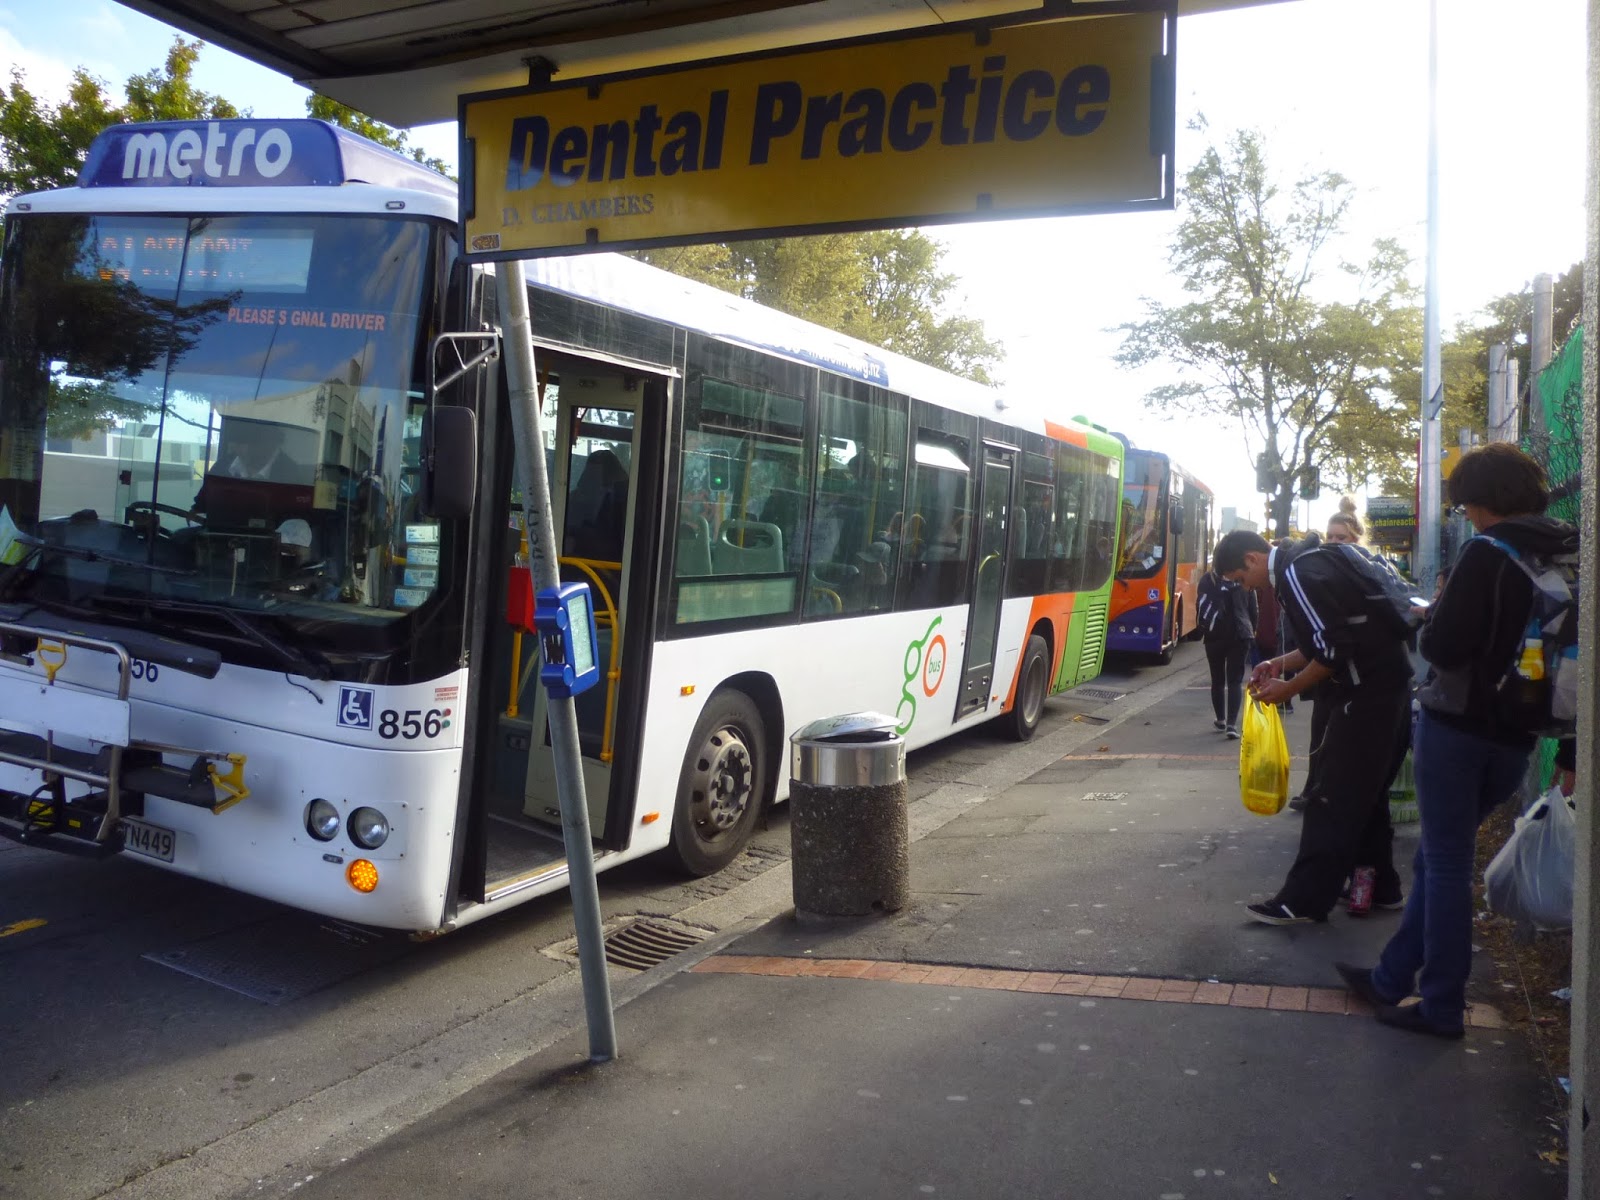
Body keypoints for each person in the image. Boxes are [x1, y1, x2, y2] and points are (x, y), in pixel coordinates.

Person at [1335, 444, 1579, 1038]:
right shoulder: (1570, 552)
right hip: (1521, 734)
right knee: (1436, 857)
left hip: (1458, 729)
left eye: (1467, 503)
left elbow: (1441, 649)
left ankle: (1442, 1002)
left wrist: (1433, 611)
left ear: (1482, 501)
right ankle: (1392, 978)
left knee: (1444, 865)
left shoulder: (1485, 552)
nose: (1466, 514)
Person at [1214, 527, 1412, 926]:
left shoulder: (1293, 575)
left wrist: (1287, 688)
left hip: (1363, 696)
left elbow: (1332, 651)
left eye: (1241, 579)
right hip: (1391, 687)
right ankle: (1383, 888)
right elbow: (1326, 637)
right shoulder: (1315, 560)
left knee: (1329, 799)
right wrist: (1279, 664)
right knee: (1367, 797)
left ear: (1252, 559)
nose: (1247, 589)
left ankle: (1302, 901)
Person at [1288, 502, 1365, 815]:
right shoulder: (1318, 573)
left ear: (1356, 541)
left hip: (1353, 677)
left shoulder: (1363, 573)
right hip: (1326, 675)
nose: (1334, 543)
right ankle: (1313, 790)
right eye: (1330, 537)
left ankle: (1327, 794)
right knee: (1318, 734)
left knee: (1340, 743)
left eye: (1342, 538)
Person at [1196, 563, 1256, 737]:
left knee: (1217, 679)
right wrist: (1252, 629)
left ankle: (1220, 719)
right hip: (1239, 635)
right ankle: (1232, 725)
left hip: (1214, 636)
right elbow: (1252, 608)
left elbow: (1199, 605)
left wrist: (1202, 629)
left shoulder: (1207, 579)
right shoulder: (1242, 579)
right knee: (1235, 681)